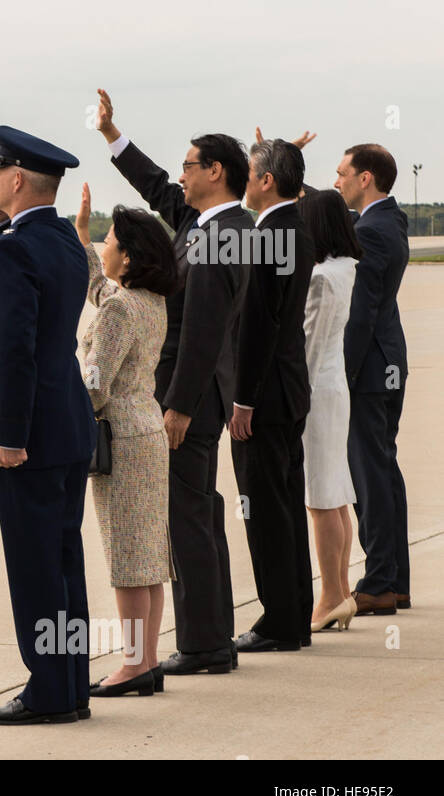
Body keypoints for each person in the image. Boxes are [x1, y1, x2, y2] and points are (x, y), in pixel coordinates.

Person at [94, 89, 254, 675]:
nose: (180, 175)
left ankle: (206, 645)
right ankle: (210, 636)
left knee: (186, 516)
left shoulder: (221, 233)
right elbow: (158, 188)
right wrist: (114, 136)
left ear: (215, 172)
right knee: (197, 512)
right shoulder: (207, 220)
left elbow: (205, 330)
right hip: (196, 392)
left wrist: (180, 406)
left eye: (189, 165)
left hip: (189, 396)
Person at [0, 127, 96, 726]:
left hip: (31, 435)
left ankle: (48, 691)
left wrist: (11, 435)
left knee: (34, 567)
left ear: (17, 178)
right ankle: (71, 684)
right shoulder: (62, 241)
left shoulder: (16, 250)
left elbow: (12, 349)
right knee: (62, 561)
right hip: (68, 424)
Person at [73, 186, 175, 697]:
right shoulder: (146, 300)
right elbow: (99, 284)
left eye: (111, 241)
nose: (106, 248)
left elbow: (95, 385)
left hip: (122, 439)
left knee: (129, 560)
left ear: (129, 256)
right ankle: (147, 660)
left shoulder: (120, 310)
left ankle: (134, 665)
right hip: (147, 430)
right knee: (148, 557)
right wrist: (84, 234)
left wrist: (64, 416)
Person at [229, 139, 317, 652]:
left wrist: (243, 400)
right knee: (283, 505)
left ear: (266, 181)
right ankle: (294, 613)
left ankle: (279, 621)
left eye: (251, 171)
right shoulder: (296, 227)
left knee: (265, 510)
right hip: (290, 388)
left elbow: (258, 324)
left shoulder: (268, 235)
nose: (244, 179)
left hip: (266, 394)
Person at [333, 144, 410, 616]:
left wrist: (344, 373)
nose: (336, 180)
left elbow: (359, 315)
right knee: (384, 471)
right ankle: (395, 580)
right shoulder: (392, 220)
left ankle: (380, 580)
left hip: (369, 369)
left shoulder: (369, 231)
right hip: (391, 361)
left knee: (369, 476)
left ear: (366, 179)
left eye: (342, 173)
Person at [297, 189, 362, 632]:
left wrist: (289, 397)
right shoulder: (345, 267)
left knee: (320, 499)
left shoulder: (321, 277)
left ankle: (332, 596)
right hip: (335, 388)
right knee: (336, 495)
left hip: (317, 390)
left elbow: (310, 348)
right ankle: (339, 588)